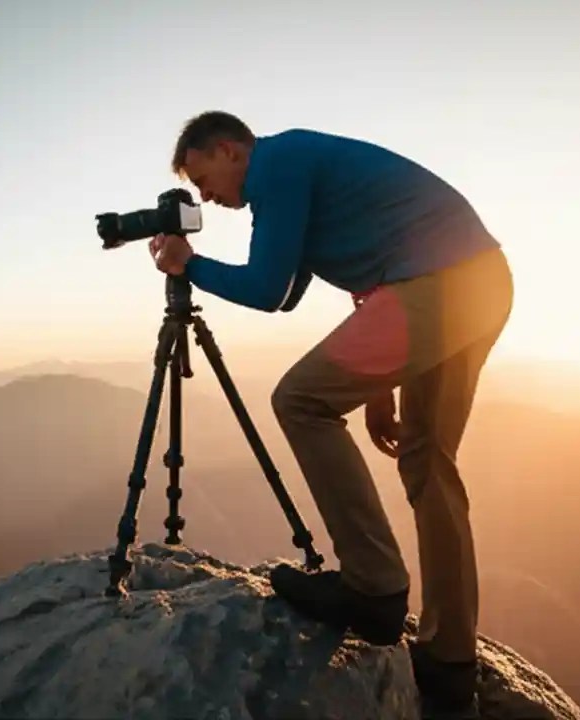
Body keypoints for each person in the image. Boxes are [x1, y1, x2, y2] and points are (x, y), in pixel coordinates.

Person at [148, 110, 513, 718]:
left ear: (230, 149)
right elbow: (293, 291)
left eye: (202, 176)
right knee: (429, 463)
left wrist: (189, 265)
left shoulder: (278, 164)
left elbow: (266, 289)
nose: (204, 195)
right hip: (478, 282)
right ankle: (451, 665)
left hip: (434, 287)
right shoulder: (296, 169)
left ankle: (373, 585)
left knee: (300, 400)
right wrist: (378, 389)